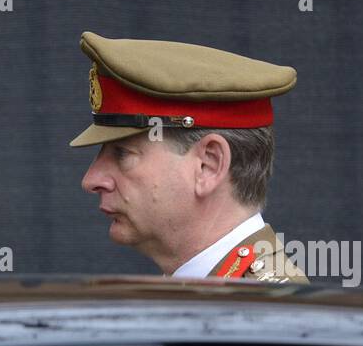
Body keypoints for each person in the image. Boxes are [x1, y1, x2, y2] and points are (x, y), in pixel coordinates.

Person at [71, 31, 309, 283]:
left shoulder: (261, 313)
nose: (91, 179)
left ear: (208, 165)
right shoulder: (234, 302)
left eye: (122, 153)